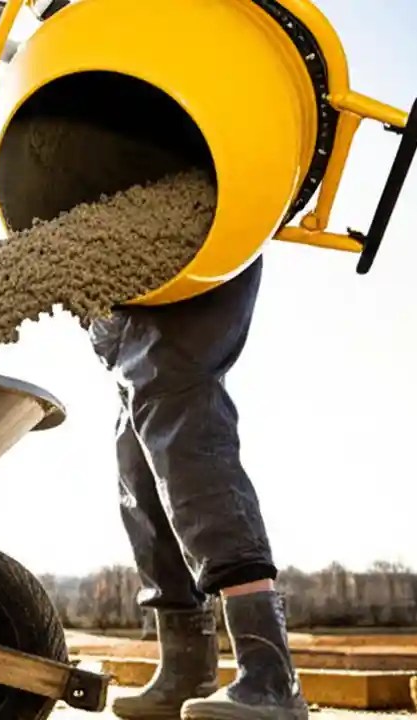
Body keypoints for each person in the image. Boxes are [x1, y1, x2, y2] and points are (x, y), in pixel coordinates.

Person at [88, 255, 309, 720]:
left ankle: (270, 675)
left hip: (198, 257)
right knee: (136, 455)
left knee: (182, 423)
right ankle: (186, 671)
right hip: (127, 300)